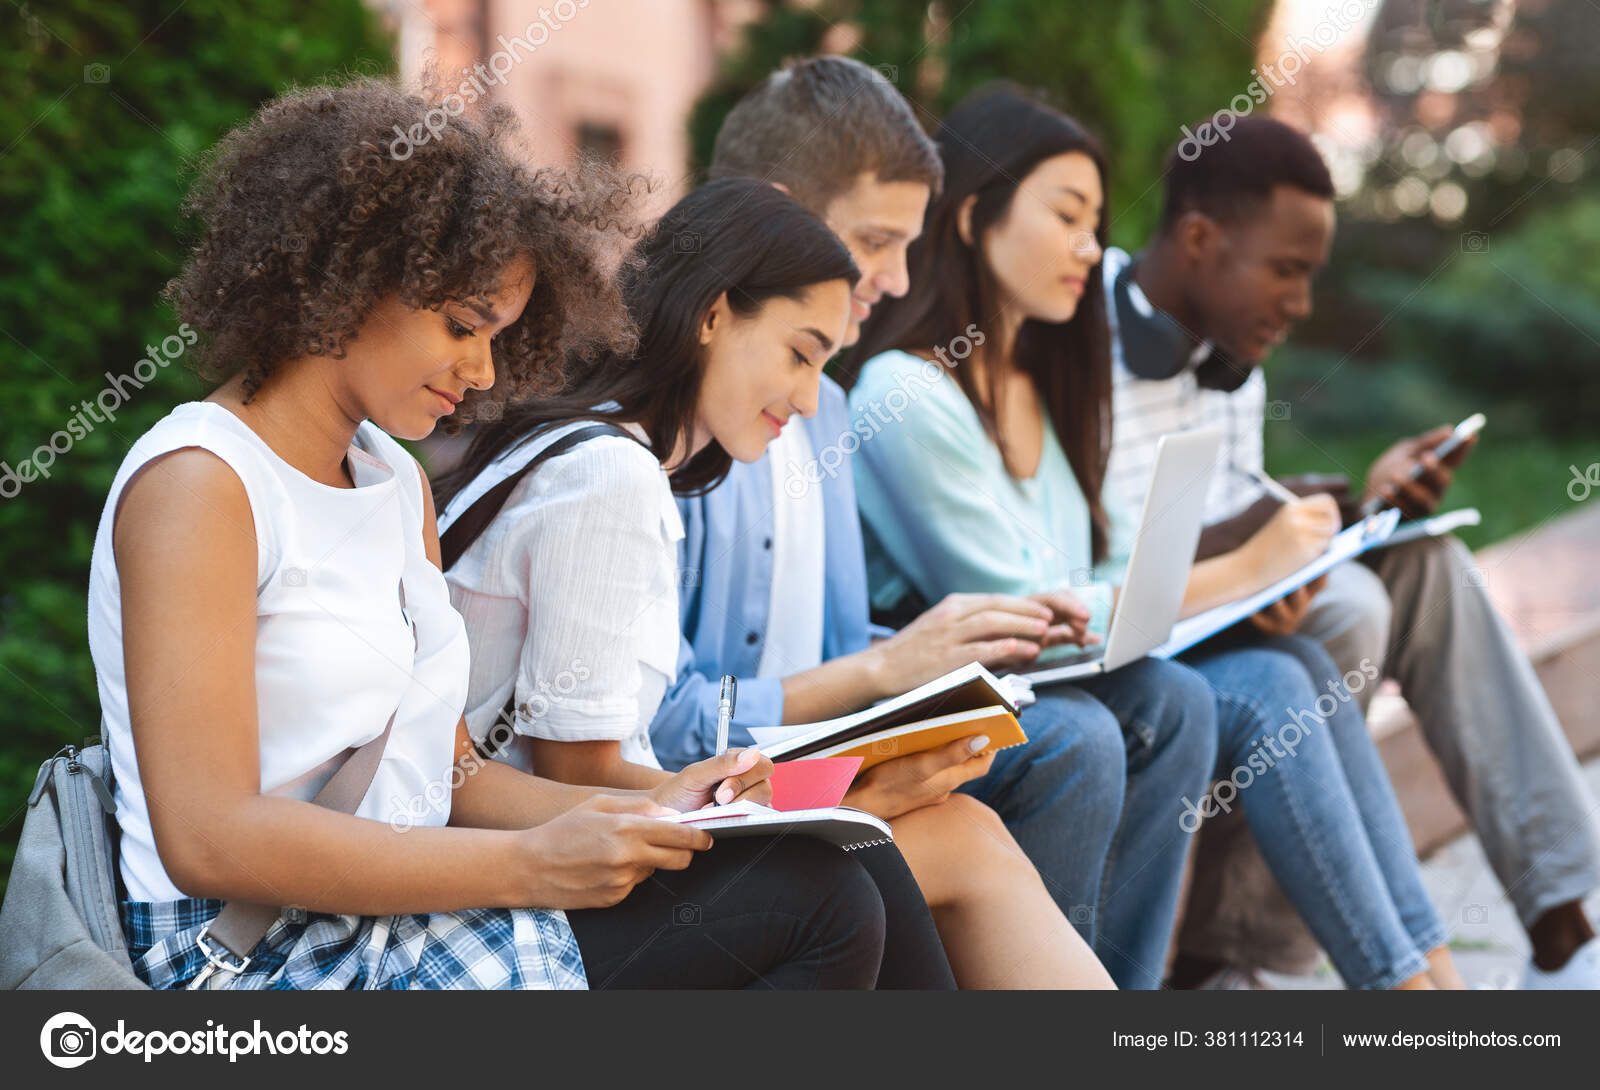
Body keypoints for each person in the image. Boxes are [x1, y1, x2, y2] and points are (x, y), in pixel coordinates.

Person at [93, 79, 910, 991]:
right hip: (255, 959)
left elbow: (456, 778)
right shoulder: (202, 483)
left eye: (500, 335)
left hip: (386, 914)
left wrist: (672, 802)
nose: (483, 371)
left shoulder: (390, 478)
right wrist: (531, 865)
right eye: (461, 326)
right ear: (348, 279)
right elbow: (211, 838)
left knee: (827, 877)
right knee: (818, 905)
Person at [845, 85, 1462, 991]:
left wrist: (1245, 579)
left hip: (1073, 679)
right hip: (960, 705)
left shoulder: (1039, 382)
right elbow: (1027, 616)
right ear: (976, 216)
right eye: (1068, 215)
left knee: (1277, 678)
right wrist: (1246, 567)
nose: (1092, 247)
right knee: (1175, 707)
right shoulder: (903, 395)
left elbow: (1108, 564)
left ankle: (1425, 981)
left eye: (1096, 221)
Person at [438, 177, 1105, 988]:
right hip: (526, 875)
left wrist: (841, 786)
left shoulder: (602, 455)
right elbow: (576, 778)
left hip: (565, 838)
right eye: (800, 352)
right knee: (918, 850)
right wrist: (844, 796)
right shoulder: (611, 475)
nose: (810, 395)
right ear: (714, 314)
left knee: (941, 834)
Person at [652, 53, 1216, 992]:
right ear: (777, 210)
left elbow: (826, 646)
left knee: (1158, 700)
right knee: (1076, 743)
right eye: (878, 240)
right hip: (738, 785)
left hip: (815, 751)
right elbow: (660, 726)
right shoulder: (679, 430)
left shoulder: (826, 407)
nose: (896, 278)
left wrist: (944, 650)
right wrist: (887, 669)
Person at [1101, 113, 1600, 990]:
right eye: (1286, 271)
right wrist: (1256, 564)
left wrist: (1361, 505)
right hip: (1138, 630)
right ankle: (1229, 960)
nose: (1300, 304)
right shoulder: (1081, 343)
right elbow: (1110, 560)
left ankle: (1564, 921)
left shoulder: (1230, 365)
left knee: (1423, 561)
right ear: (1197, 238)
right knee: (1357, 611)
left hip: (1237, 604)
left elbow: (1237, 500)